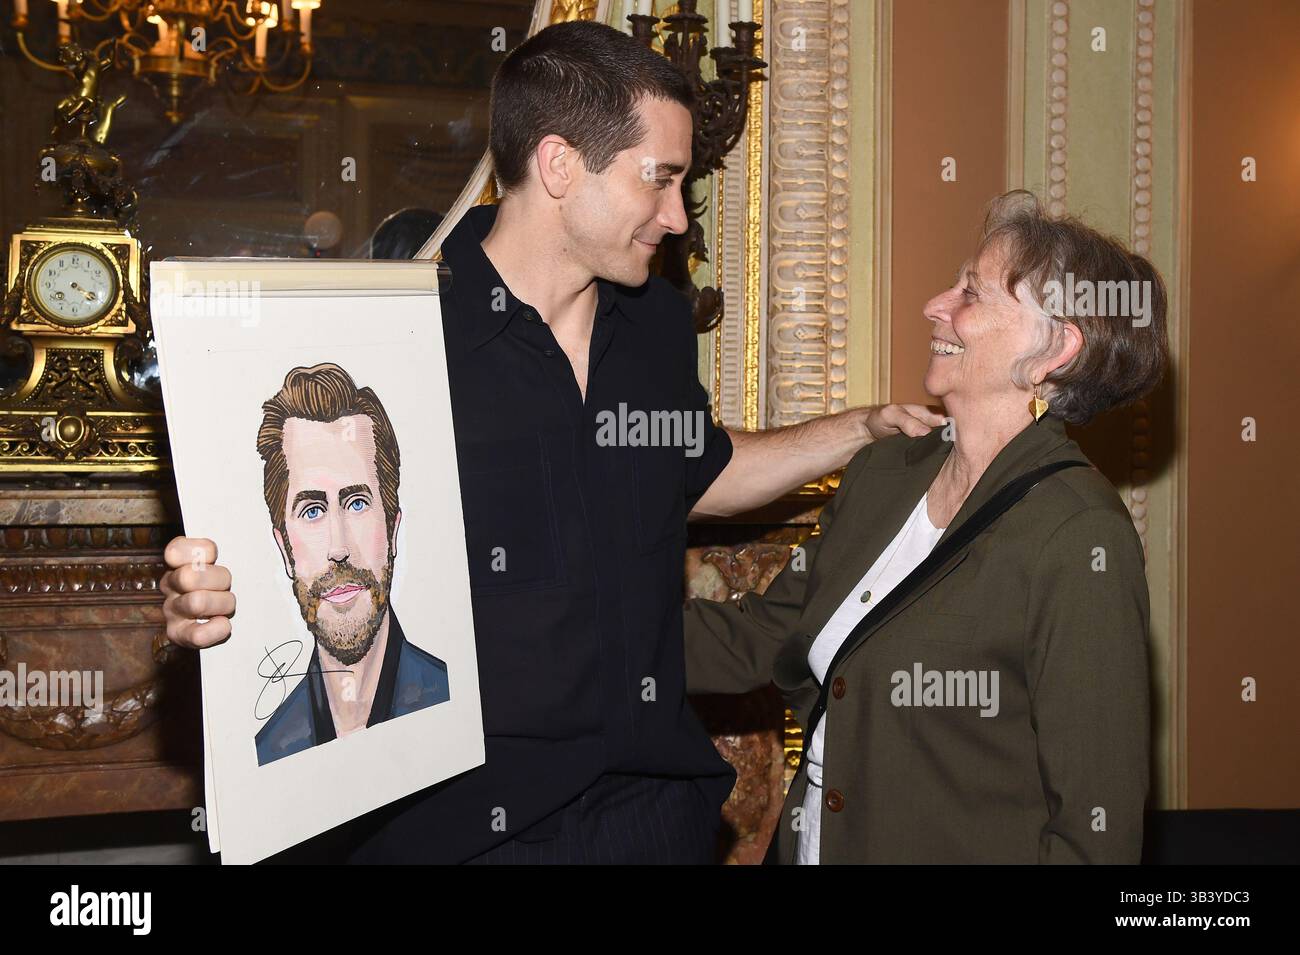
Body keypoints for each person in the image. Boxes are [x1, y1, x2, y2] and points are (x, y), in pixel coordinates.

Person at [160, 20, 941, 864]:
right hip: (466, 829)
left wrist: (857, 429)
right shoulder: (401, 339)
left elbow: (697, 468)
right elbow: (312, 548)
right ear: (563, 165)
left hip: (654, 810)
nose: (679, 217)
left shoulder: (655, 324)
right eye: (663, 180)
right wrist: (205, 603)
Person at [685, 190, 1168, 864]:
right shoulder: (886, 474)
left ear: (1052, 349)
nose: (935, 306)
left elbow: (1097, 836)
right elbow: (763, 632)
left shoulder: (1080, 536)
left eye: (971, 292)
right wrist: (575, 625)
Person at [252, 363, 450, 767]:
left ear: (393, 532)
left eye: (357, 503)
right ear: (285, 549)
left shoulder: (455, 707)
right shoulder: (270, 752)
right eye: (312, 511)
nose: (339, 547)